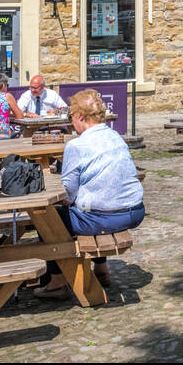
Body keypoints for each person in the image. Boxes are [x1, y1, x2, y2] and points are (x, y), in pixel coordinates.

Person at [34, 88, 144, 299]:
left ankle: (57, 282)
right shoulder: (115, 137)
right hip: (134, 211)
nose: (70, 123)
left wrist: (67, 202)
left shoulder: (77, 145)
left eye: (71, 117)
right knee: (90, 205)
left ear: (81, 116)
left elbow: (68, 192)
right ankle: (101, 270)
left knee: (47, 220)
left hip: (105, 217)